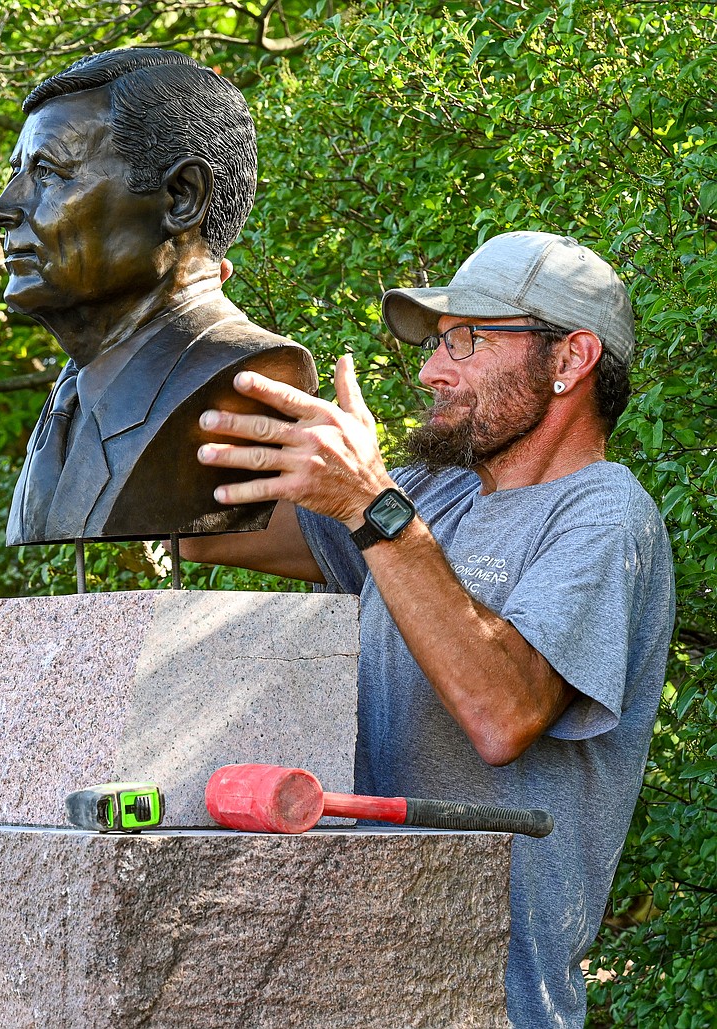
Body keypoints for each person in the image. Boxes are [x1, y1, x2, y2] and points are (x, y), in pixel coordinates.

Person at [181, 231, 675, 1028]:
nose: (431, 370)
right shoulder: (431, 495)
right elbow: (197, 528)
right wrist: (177, 314)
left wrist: (370, 502)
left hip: (489, 1000)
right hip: (359, 978)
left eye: (465, 340)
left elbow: (502, 713)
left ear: (571, 358)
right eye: (437, 342)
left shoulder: (605, 514)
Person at [0, 47, 317, 545]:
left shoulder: (241, 375)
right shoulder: (73, 392)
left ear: (181, 197)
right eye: (17, 173)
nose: (3, 208)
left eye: (48, 173)